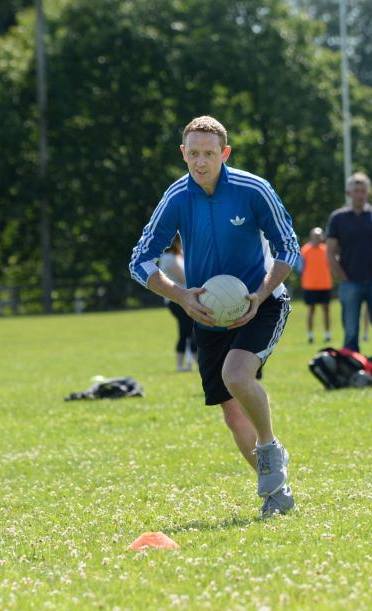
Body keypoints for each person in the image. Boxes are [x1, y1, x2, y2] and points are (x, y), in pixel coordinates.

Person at [129, 115, 300, 518]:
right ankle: (276, 493)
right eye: (193, 153)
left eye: (209, 153)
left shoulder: (253, 189)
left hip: (263, 303)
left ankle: (270, 448)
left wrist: (259, 295)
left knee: (237, 376)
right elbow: (140, 260)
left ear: (224, 154)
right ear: (183, 154)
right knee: (231, 410)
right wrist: (181, 296)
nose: (200, 161)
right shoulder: (176, 198)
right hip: (205, 314)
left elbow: (288, 247)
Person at [326, 173, 372, 355]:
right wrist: (342, 276)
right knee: (350, 330)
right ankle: (352, 365)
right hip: (350, 282)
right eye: (356, 191)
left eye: (363, 191)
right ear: (348, 193)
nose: (360, 194)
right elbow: (331, 252)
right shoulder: (338, 218)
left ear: (368, 193)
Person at [158, 234, 198, 371]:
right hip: (177, 299)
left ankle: (187, 364)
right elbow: (183, 277)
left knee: (187, 331)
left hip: (184, 298)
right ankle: (184, 364)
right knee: (187, 330)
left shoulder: (180, 256)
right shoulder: (169, 257)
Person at [300, 227, 333, 344]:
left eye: (319, 236)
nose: (318, 238)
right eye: (315, 236)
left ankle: (327, 335)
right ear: (311, 237)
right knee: (311, 310)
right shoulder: (304, 250)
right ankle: (310, 335)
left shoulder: (326, 250)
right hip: (310, 285)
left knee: (326, 310)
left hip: (325, 284)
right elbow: (299, 268)